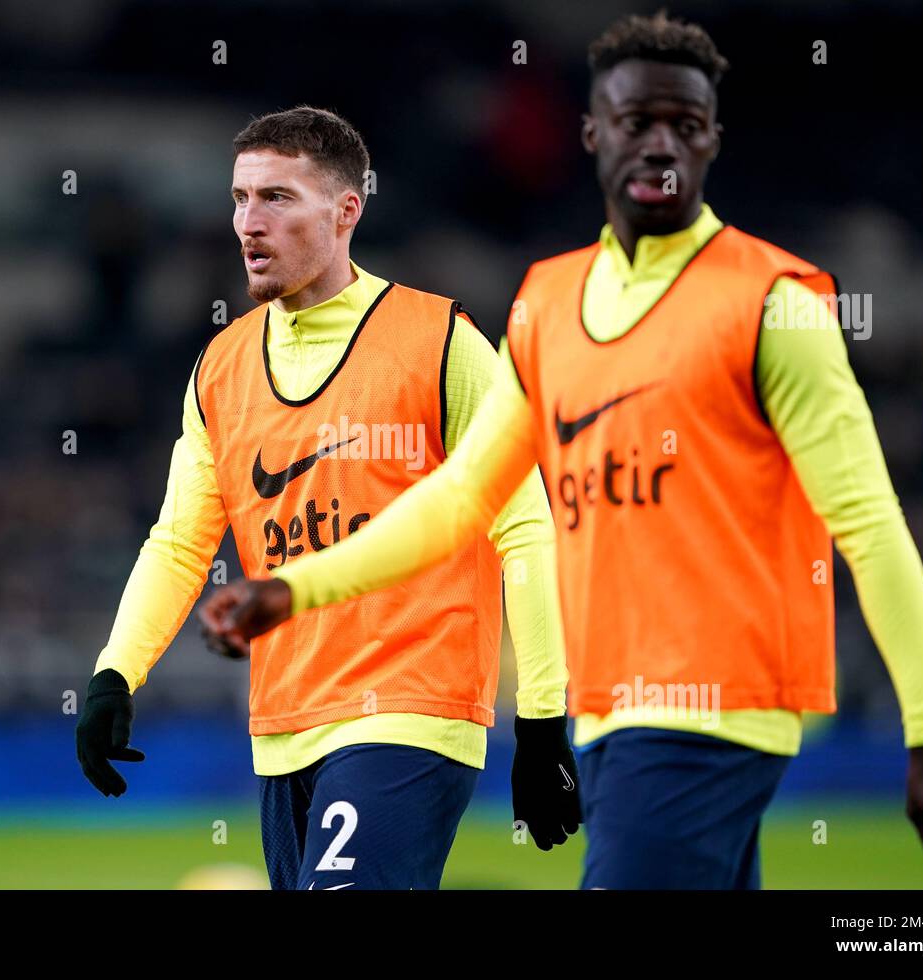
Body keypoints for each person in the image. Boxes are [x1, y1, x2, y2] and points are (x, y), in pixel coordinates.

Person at [199, 17, 923, 889]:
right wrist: (290, 588)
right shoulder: (548, 302)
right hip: (612, 715)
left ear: (713, 140)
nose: (659, 144)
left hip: (714, 708)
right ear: (592, 134)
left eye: (684, 126)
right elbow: (463, 499)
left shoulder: (775, 303)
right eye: (634, 121)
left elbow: (870, 522)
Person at [75, 106, 579, 890]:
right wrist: (116, 673)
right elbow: (180, 543)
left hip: (409, 712)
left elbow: (524, 526)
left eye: (276, 198)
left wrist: (544, 717)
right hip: (284, 726)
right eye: (240, 199)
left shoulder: (442, 342)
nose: (249, 222)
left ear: (347, 210)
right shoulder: (220, 369)